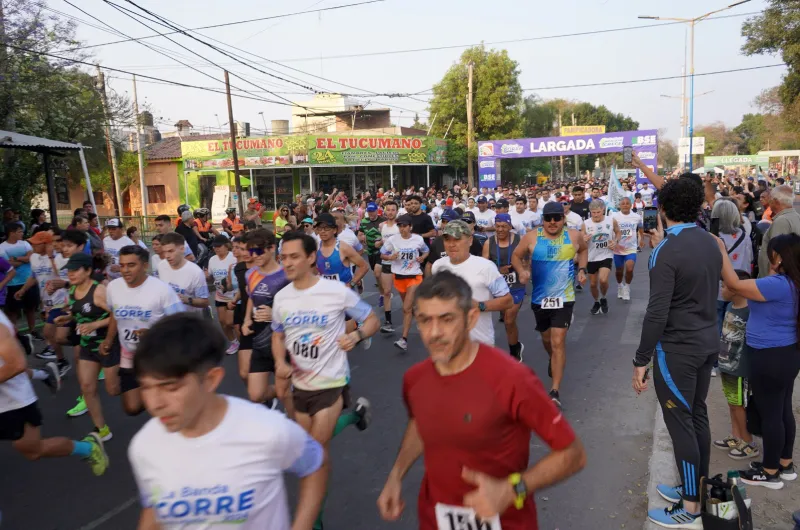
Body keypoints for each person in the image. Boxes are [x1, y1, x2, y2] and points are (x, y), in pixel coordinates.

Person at [377, 271, 586, 529]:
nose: (434, 333)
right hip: (434, 519)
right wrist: (396, 476)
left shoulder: (512, 378)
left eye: (447, 319)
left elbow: (573, 453)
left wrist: (514, 489)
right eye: (424, 320)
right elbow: (421, 422)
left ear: (471, 319)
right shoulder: (415, 379)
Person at [128, 313, 327, 529]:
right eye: (147, 387)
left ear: (211, 379)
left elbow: (317, 464)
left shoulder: (266, 430)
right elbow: (154, 508)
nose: (155, 403)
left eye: (170, 387)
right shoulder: (144, 446)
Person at [272, 231, 378, 529]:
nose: (288, 263)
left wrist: (356, 335)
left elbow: (372, 319)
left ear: (310, 258)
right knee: (308, 452)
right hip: (300, 386)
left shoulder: (336, 293)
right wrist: (280, 362)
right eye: (283, 257)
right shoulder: (282, 297)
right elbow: (279, 336)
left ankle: (313, 523)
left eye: (294, 257)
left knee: (315, 454)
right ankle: (356, 416)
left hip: (332, 383)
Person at [632, 176, 721, 528]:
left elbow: (657, 312)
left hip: (678, 349)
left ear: (663, 210)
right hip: (706, 342)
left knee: (682, 425)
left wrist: (641, 360)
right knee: (697, 416)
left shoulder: (665, 251)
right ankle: (693, 488)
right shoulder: (710, 242)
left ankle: (690, 507)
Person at [718, 233, 800, 489]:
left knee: (771, 414)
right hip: (786, 353)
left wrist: (720, 249)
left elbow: (732, 283)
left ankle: (770, 471)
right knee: (782, 409)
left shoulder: (778, 284)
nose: (768, 257)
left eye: (771, 253)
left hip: (770, 356)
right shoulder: (792, 282)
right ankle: (784, 463)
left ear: (780, 256)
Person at [0, 310, 108, 474]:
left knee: (32, 450)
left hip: (12, 402)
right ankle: (44, 374)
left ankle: (88, 448)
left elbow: (16, 364)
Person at [512, 202, 588, 409]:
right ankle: (553, 360)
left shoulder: (573, 236)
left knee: (558, 342)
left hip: (565, 297)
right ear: (542, 219)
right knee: (547, 341)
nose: (553, 222)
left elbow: (583, 251)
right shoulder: (531, 237)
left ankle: (554, 391)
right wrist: (521, 271)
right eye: (548, 218)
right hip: (540, 298)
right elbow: (516, 256)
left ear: (563, 218)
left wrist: (582, 270)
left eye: (557, 218)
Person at [100, 245, 184, 416]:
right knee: (132, 408)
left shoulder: (162, 290)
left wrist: (154, 335)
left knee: (164, 409)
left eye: (131, 265)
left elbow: (181, 326)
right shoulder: (113, 287)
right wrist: (108, 340)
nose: (125, 270)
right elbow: (114, 314)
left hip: (157, 356)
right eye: (122, 265)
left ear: (145, 266)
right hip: (129, 354)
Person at [55, 253, 119, 442]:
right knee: (87, 386)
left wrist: (96, 326)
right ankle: (102, 429)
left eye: (75, 270)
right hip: (87, 344)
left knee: (112, 389)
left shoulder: (99, 290)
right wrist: (67, 318)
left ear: (88, 270)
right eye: (69, 270)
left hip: (107, 343)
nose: (71, 274)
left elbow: (117, 316)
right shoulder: (73, 290)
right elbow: (79, 312)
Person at [432, 220, 512, 347]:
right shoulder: (438, 266)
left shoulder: (485, 267)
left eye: (457, 239)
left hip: (479, 344)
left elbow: (508, 301)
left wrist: (478, 305)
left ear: (470, 241)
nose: (451, 244)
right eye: (447, 239)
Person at [712, 269, 759, 460]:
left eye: (724, 286)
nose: (721, 290)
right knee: (732, 404)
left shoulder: (750, 311)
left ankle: (748, 443)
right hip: (726, 366)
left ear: (737, 289)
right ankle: (736, 436)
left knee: (739, 405)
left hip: (740, 369)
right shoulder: (731, 306)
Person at [241, 230, 289, 407]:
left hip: (285, 341)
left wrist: (274, 314)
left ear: (272, 249)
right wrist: (247, 320)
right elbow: (252, 297)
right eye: (252, 251)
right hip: (260, 340)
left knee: (288, 397)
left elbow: (303, 307)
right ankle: (287, 389)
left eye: (259, 251)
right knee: (256, 395)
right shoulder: (250, 274)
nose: (255, 255)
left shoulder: (287, 275)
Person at [15, 231, 70, 375]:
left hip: (62, 300)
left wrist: (51, 257)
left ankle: (64, 358)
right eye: (32, 242)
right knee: (55, 336)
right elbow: (34, 276)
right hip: (47, 301)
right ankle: (62, 358)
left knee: (49, 332)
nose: (32, 245)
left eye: (36, 243)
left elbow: (61, 277)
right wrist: (23, 290)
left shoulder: (59, 257)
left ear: (47, 244)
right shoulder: (33, 257)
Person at [380, 214, 429, 351]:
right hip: (399, 277)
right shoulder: (393, 240)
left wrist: (422, 258)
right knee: (409, 307)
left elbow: (426, 251)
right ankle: (421, 317)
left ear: (410, 227)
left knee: (406, 308)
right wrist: (390, 257)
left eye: (404, 226)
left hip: (414, 275)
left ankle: (404, 339)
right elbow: (381, 253)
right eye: (400, 226)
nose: (402, 229)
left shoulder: (418, 239)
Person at [484, 213, 526, 361]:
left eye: (503, 226)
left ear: (510, 227)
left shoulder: (519, 240)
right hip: (496, 286)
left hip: (515, 285)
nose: (500, 229)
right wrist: (498, 269)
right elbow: (484, 266)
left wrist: (524, 272)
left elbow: (526, 261)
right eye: (497, 226)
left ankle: (514, 349)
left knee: (509, 319)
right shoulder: (489, 243)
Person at [158, 233, 210, 314]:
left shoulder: (196, 272)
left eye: (171, 251)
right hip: (168, 320)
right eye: (164, 252)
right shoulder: (161, 266)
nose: (167, 256)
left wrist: (186, 300)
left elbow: (205, 302)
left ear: (182, 249)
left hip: (189, 321)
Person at [582, 200, 619, 316]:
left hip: (606, 255)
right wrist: (584, 239)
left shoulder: (611, 220)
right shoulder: (586, 224)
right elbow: (581, 239)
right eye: (593, 212)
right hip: (591, 257)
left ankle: (603, 297)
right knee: (593, 284)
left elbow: (618, 232)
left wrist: (615, 241)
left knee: (603, 280)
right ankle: (597, 301)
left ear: (603, 210)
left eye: (598, 212)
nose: (596, 215)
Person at [1, 222, 37, 336]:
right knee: (12, 311)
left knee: (30, 308)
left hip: (29, 281)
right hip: (12, 284)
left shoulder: (25, 243)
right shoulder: (2, 247)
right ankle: (14, 334)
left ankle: (33, 331)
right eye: (20, 231)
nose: (22, 233)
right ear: (11, 233)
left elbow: (31, 257)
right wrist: (24, 259)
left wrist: (17, 258)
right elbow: (9, 265)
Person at [757, 185, 800, 278]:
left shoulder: (782, 221)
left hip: (773, 283)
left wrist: (769, 283)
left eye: (770, 199)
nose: (769, 201)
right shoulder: (796, 217)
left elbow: (775, 257)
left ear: (776, 201)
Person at [206, 235, 238, 354]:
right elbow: (210, 277)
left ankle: (245, 342)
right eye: (214, 246)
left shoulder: (233, 258)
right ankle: (234, 342)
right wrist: (207, 276)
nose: (216, 249)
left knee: (231, 322)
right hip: (220, 296)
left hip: (234, 296)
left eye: (219, 246)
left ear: (226, 246)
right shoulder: (212, 260)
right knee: (223, 322)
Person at [612, 197, 644, 301]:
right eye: (623, 204)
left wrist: (642, 239)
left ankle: (627, 287)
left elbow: (640, 227)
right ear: (620, 206)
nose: (625, 205)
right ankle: (620, 285)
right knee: (619, 271)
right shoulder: (614, 216)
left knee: (630, 269)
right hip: (618, 248)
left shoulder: (636, 217)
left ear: (631, 205)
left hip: (631, 248)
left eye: (627, 203)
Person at [377, 201, 400, 332]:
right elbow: (382, 241)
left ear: (397, 211)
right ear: (385, 211)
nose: (390, 212)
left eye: (393, 210)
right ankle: (388, 321)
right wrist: (379, 243)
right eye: (388, 210)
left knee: (405, 293)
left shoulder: (401, 226)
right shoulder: (382, 226)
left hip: (401, 264)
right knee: (386, 292)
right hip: (387, 262)